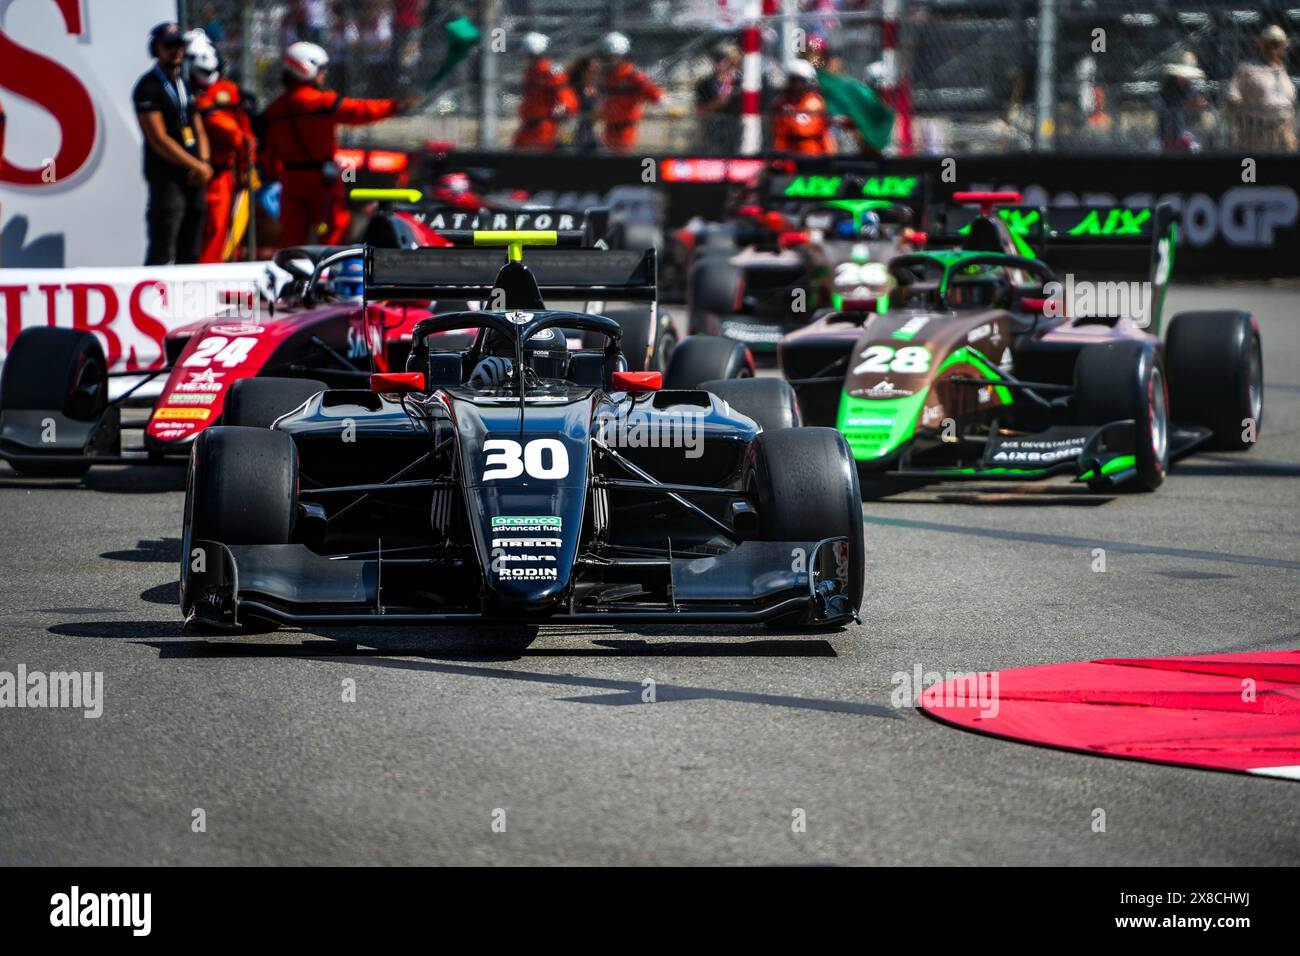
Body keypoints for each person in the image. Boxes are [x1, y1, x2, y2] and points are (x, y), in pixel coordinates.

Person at [261, 41, 416, 247]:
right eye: (321, 70)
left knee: (292, 236)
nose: (324, 74)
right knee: (332, 231)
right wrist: (395, 106)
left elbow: (269, 153)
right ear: (307, 68)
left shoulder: (275, 109)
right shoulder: (322, 102)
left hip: (289, 180)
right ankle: (330, 273)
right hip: (322, 180)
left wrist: (272, 174)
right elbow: (360, 111)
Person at [132, 22, 211, 265]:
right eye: (169, 45)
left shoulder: (184, 85)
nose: (176, 51)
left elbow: (198, 128)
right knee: (163, 246)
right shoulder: (148, 87)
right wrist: (196, 166)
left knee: (192, 248)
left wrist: (205, 163)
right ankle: (154, 301)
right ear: (156, 48)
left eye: (179, 45)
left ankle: (188, 300)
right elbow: (159, 139)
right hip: (167, 178)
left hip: (194, 177)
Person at [185, 31, 256, 262]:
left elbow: (243, 135)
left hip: (221, 172)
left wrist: (246, 168)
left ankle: (213, 275)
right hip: (189, 170)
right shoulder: (184, 91)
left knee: (221, 228)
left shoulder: (229, 91)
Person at [1226, 25, 1297, 152]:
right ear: (1262, 46)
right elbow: (1233, 98)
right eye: (1269, 44)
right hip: (1256, 130)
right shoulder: (1247, 69)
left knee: (1282, 170)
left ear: (1283, 47)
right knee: (1256, 168)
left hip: (1282, 131)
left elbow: (1290, 103)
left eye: (1277, 44)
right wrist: (1235, 127)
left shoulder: (1283, 71)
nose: (1272, 48)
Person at [599, 32, 662, 152]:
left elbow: (655, 95)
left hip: (625, 128)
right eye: (607, 57)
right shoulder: (606, 75)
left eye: (613, 56)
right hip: (609, 127)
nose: (610, 60)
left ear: (622, 56)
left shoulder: (633, 75)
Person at [513, 33, 577, 150]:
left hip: (544, 127)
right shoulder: (530, 72)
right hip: (528, 125)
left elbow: (567, 99)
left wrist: (564, 108)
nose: (526, 57)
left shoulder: (551, 71)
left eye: (529, 55)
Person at [771, 59, 833, 155]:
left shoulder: (816, 103)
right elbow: (779, 135)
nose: (797, 86)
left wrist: (828, 155)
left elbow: (824, 133)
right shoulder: (782, 104)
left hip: (814, 156)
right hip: (789, 156)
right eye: (793, 81)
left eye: (800, 81)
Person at [1156, 52, 1207, 152]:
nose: (1183, 78)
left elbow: (1196, 113)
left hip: (1187, 134)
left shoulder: (1189, 88)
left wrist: (1198, 106)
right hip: (1169, 136)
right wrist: (1186, 104)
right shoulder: (1167, 90)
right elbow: (1163, 107)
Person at [694, 45, 740, 153]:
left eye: (723, 59)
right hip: (714, 129)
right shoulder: (704, 84)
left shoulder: (738, 82)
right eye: (716, 60)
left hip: (735, 129)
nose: (719, 63)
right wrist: (716, 104)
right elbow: (700, 109)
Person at [567, 56, 601, 153]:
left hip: (589, 131)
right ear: (583, 71)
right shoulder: (572, 88)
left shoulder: (595, 88)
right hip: (572, 131)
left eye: (597, 70)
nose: (596, 73)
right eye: (592, 70)